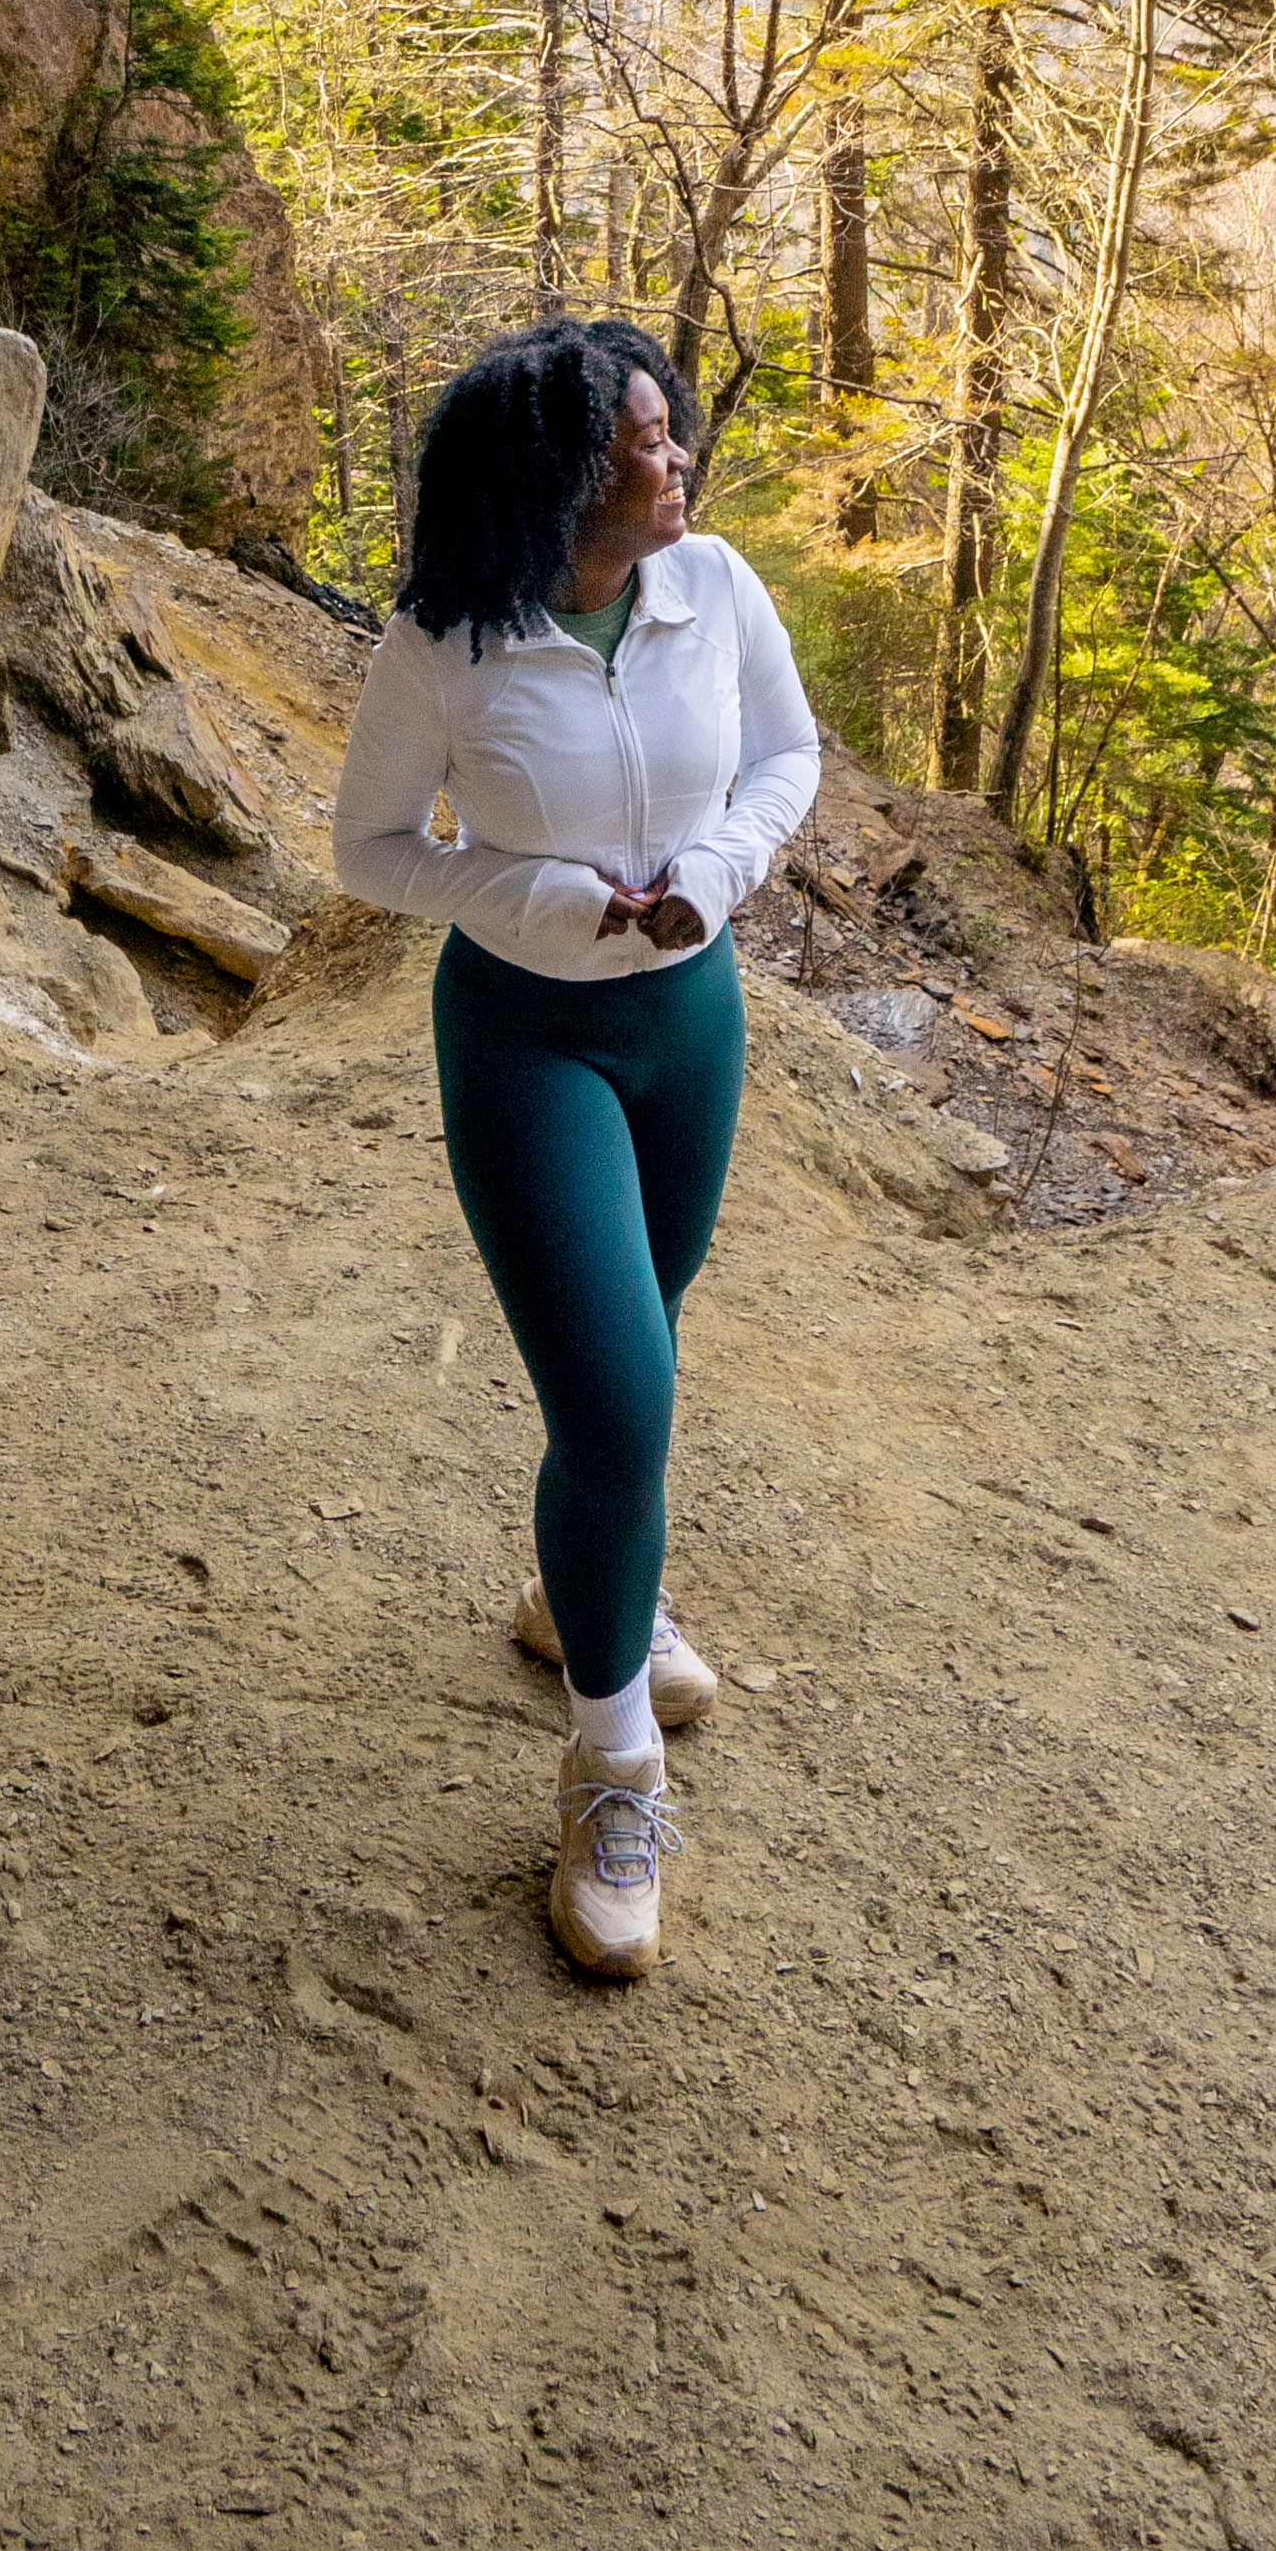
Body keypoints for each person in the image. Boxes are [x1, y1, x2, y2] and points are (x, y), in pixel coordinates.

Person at [327, 318, 820, 1977]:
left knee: (641, 1355)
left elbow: (785, 761)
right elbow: (370, 851)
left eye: (670, 434)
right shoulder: (444, 646)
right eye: (643, 444)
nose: (676, 457)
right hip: (531, 1036)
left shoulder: (715, 587)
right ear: (556, 483)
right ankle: (614, 1768)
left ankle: (582, 1598)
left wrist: (722, 872)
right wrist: (528, 895)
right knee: (617, 1394)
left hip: (692, 1020)